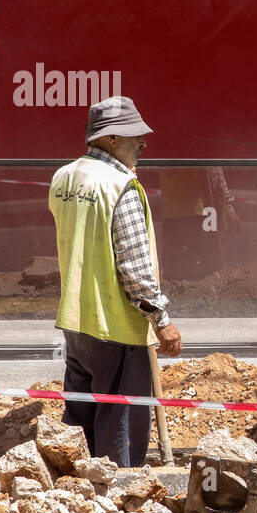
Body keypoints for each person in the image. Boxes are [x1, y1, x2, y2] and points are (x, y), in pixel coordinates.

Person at [48, 96, 183, 467]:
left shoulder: (65, 177)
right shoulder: (120, 184)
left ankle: (79, 496)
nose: (143, 142)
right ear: (109, 139)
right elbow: (134, 267)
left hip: (76, 323)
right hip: (116, 326)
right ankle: (119, 505)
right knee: (119, 426)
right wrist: (162, 320)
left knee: (81, 417)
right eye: (133, 135)